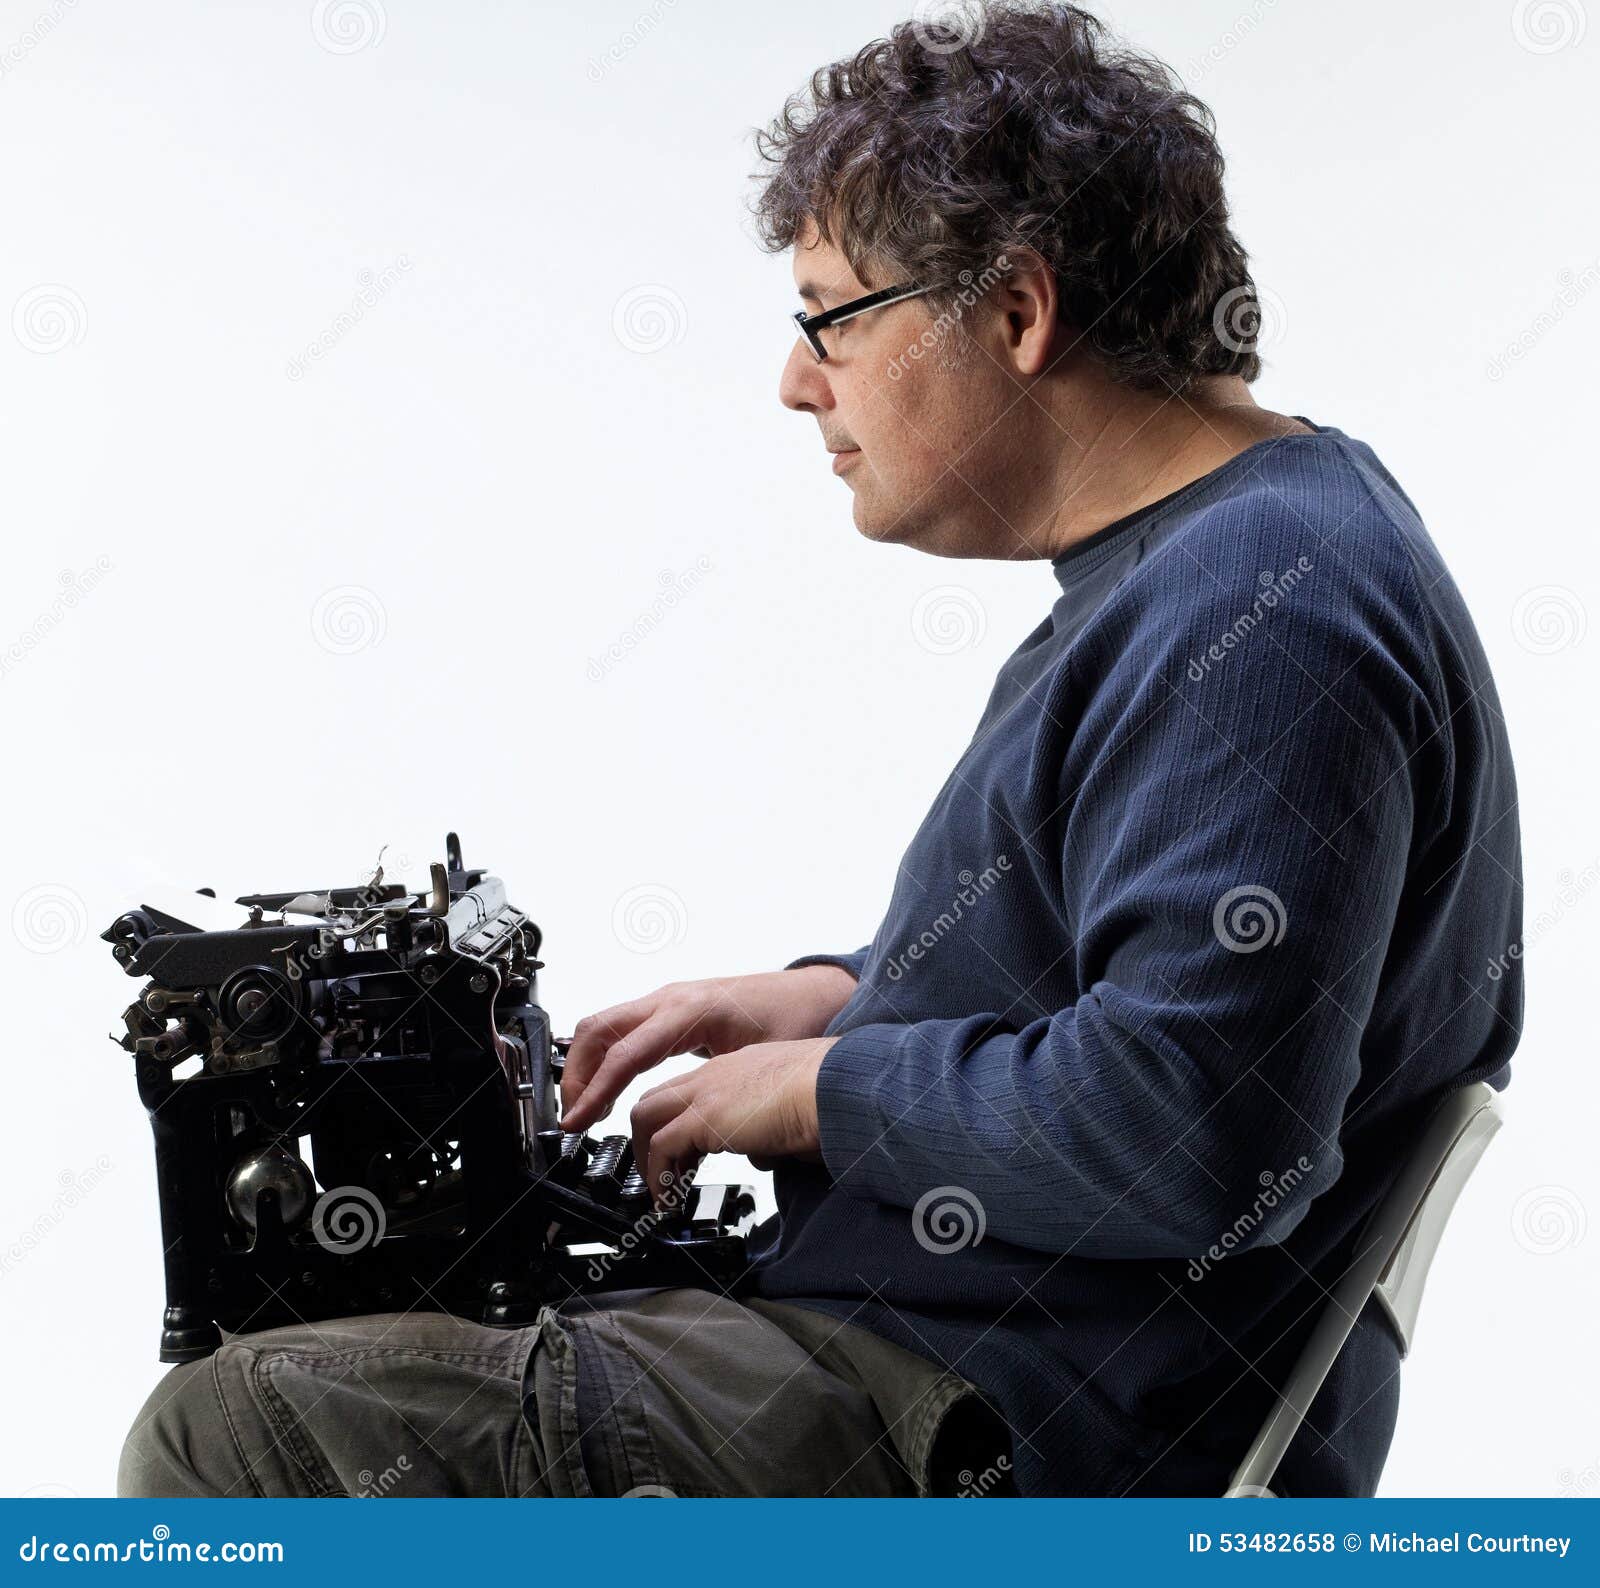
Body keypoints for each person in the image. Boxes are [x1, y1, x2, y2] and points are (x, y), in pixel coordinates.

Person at [119, 1, 1521, 1499]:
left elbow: (1190, 1132)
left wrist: (815, 1093)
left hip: (1005, 1427)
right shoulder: (1226, 557)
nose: (800, 383)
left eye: (833, 317)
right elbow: (1118, 979)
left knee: (226, 1429)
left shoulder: (1264, 613)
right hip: (963, 1352)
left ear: (1018, 312)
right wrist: (833, 999)